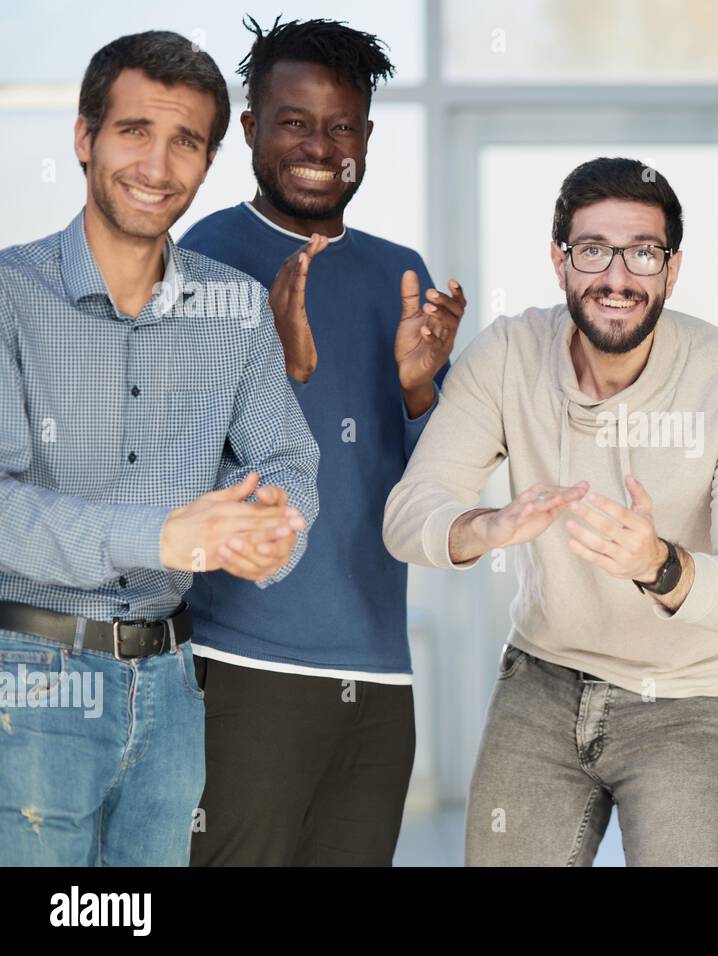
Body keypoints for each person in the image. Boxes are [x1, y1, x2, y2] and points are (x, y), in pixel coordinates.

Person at [383, 157, 718, 866]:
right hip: (542, 679)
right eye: (592, 250)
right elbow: (407, 516)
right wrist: (487, 526)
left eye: (643, 253)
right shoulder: (509, 353)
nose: (616, 277)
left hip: (689, 699)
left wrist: (659, 565)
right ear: (559, 260)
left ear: (671, 270)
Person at [0, 31, 319, 866]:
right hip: (31, 680)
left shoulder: (237, 308)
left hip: (172, 688)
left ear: (209, 162)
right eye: (134, 131)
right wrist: (161, 536)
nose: (158, 164)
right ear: (84, 138)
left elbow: (289, 461)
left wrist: (272, 530)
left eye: (186, 142)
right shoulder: (8, 298)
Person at [179, 17, 465, 867]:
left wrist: (419, 389)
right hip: (240, 664)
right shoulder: (200, 257)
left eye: (340, 125)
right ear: (250, 130)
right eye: (294, 121)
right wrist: (270, 367)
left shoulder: (398, 272)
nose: (318, 145)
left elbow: (429, 488)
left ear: (367, 139)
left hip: (379, 670)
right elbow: (168, 466)